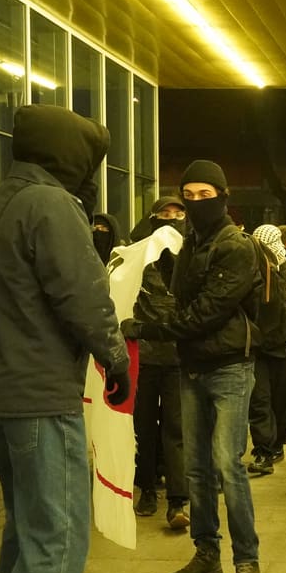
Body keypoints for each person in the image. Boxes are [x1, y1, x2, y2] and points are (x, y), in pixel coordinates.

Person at [0, 105, 130, 573]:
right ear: (69, 154)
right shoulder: (53, 205)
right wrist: (113, 357)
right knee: (58, 535)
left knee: (26, 531)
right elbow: (82, 294)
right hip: (38, 391)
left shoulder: (3, 202)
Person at [130, 160, 265, 573]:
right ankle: (207, 555)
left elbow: (208, 309)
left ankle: (247, 562)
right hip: (192, 367)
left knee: (228, 464)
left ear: (223, 196)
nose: (195, 202)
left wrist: (153, 328)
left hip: (229, 368)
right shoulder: (188, 244)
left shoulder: (236, 246)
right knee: (197, 470)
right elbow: (180, 302)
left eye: (205, 194)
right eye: (189, 194)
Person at [123, 195, 189, 527]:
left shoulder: (190, 254)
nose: (172, 218)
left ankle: (178, 500)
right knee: (144, 428)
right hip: (144, 357)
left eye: (179, 213)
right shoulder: (138, 254)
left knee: (176, 430)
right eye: (166, 213)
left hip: (179, 358)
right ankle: (147, 488)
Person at [247, 223, 286, 475]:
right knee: (260, 400)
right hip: (259, 348)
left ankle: (277, 442)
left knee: (282, 401)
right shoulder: (249, 270)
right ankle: (263, 451)